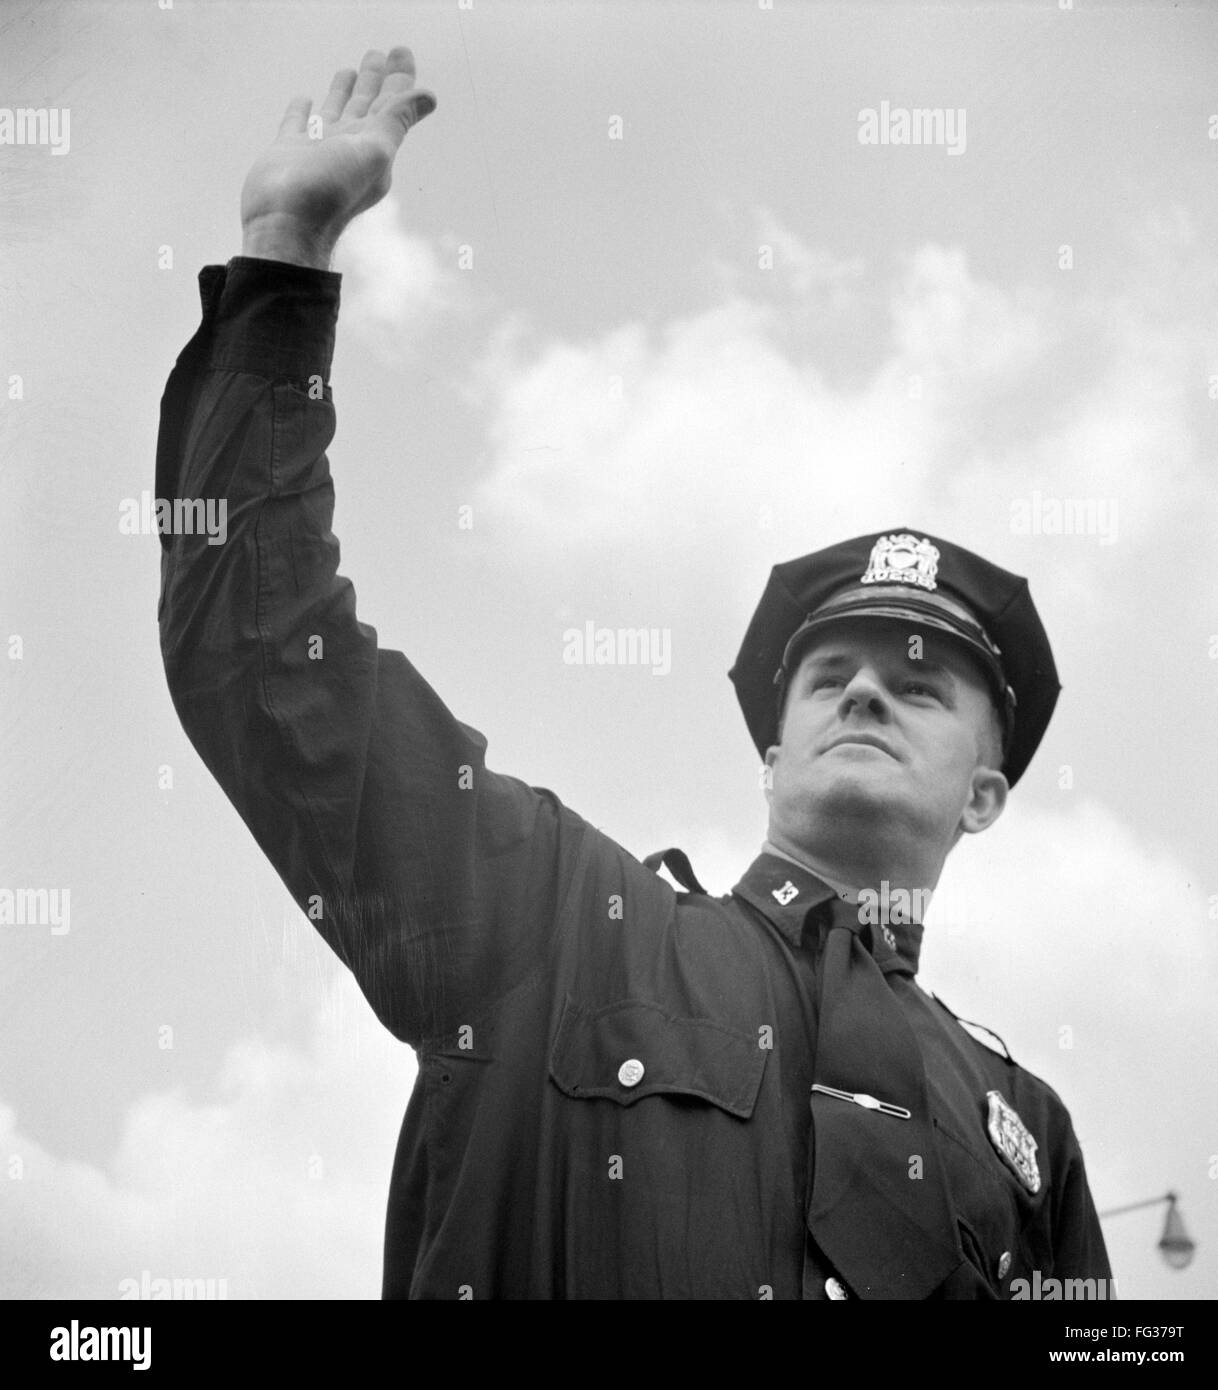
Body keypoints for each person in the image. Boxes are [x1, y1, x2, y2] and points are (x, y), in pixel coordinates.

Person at [156, 47, 1112, 1299]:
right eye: (828, 676)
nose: (867, 694)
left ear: (984, 794)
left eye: (921, 686)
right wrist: (285, 257)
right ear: (768, 755)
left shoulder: (1026, 1127)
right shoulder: (552, 925)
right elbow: (268, 660)